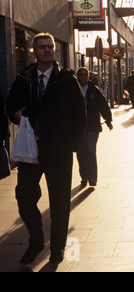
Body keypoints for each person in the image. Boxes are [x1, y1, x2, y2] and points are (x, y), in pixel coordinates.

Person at [6, 32, 87, 264]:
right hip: (32, 149)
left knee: (60, 201)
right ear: (34, 51)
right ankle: (36, 240)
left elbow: (80, 113)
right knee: (24, 195)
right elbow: (11, 103)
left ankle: (58, 249)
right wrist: (17, 115)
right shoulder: (25, 77)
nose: (47, 50)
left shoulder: (66, 79)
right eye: (42, 47)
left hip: (59, 149)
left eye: (50, 47)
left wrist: (75, 144)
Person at [76, 67, 113, 187]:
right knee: (81, 152)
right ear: (77, 76)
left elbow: (103, 105)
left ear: (88, 76)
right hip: (78, 127)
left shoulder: (94, 90)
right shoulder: (74, 91)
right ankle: (84, 176)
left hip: (92, 126)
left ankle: (92, 178)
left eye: (85, 75)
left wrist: (108, 120)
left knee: (90, 150)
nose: (83, 77)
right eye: (80, 75)